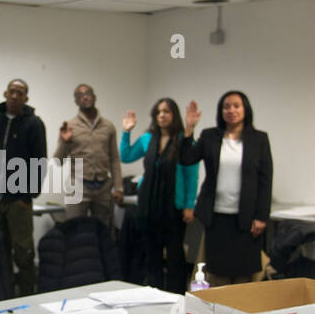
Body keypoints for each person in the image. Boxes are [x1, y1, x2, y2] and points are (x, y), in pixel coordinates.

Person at [179, 91, 273, 286]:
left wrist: (262, 216)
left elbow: (266, 180)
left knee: (244, 274)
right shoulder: (209, 136)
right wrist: (188, 129)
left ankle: (242, 312)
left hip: (247, 220)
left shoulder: (259, 139)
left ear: (245, 109)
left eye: (236, 106)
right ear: (220, 111)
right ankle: (219, 312)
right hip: (217, 217)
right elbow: (186, 158)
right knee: (218, 272)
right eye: (226, 106)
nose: (231, 110)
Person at [0, 79, 47, 297]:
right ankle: (2, 295)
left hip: (19, 200)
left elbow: (39, 162)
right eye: (12, 91)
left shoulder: (34, 123)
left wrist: (28, 196)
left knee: (23, 252)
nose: (15, 95)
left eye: (20, 92)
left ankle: (27, 296)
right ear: (5, 93)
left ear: (26, 98)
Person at [120, 98, 198, 293]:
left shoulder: (184, 140)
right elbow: (126, 156)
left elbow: (191, 174)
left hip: (173, 207)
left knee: (174, 256)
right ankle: (154, 295)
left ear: (174, 115)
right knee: (152, 255)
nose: (162, 115)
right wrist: (126, 132)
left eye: (166, 111)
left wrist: (189, 205)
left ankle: (176, 297)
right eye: (158, 112)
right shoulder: (148, 138)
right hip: (148, 206)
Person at [54, 84, 122, 226]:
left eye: (88, 93)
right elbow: (58, 161)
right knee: (74, 230)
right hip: (77, 186)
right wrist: (65, 143)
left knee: (103, 231)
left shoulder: (108, 126)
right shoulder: (69, 126)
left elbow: (114, 160)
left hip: (103, 187)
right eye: (79, 95)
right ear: (76, 102)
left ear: (94, 97)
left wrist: (119, 187)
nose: (84, 97)